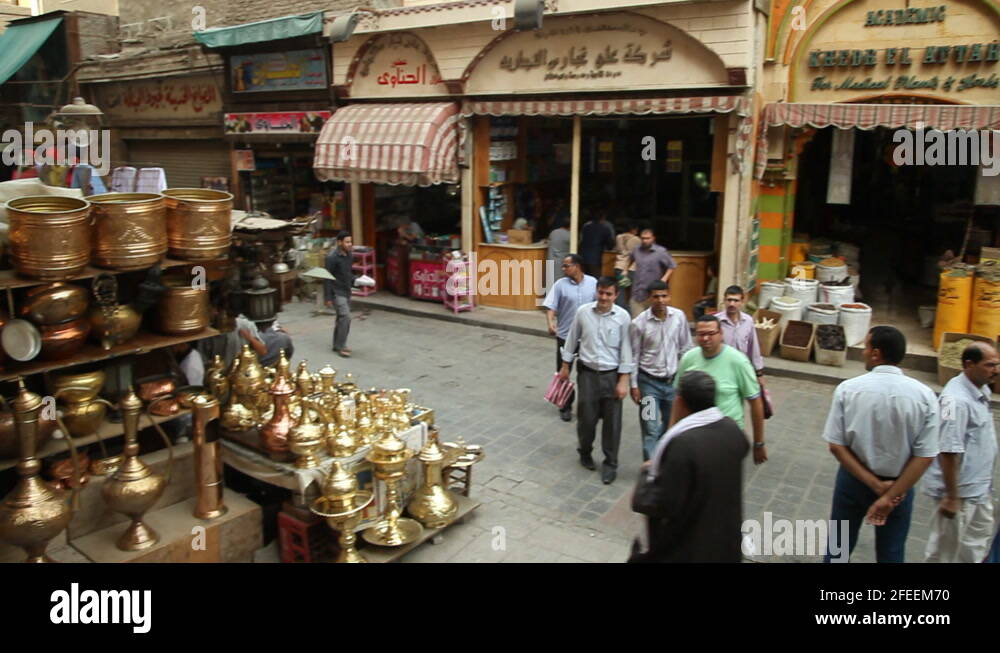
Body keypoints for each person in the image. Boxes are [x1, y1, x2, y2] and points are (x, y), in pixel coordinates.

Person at [822, 325, 940, 563]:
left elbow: (836, 445)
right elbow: (925, 456)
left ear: (876, 353)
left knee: (838, 549)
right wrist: (890, 496)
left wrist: (876, 486)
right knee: (892, 552)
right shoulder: (925, 396)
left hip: (853, 480)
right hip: (899, 487)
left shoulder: (849, 389)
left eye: (865, 347)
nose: (863, 353)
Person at [628, 371, 749, 563]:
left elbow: (660, 503)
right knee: (650, 429)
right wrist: (634, 384)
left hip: (690, 550)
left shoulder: (682, 447)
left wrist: (646, 473)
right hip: (648, 388)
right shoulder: (733, 430)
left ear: (681, 401)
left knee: (655, 433)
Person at [923, 342, 998, 563]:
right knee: (944, 553)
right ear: (968, 365)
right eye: (990, 365)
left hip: (979, 489)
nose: (996, 370)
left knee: (974, 546)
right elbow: (947, 451)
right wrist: (952, 496)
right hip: (959, 493)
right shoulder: (953, 401)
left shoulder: (980, 388)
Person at [558, 276, 633, 484]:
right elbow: (572, 339)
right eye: (601, 292)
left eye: (609, 294)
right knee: (586, 419)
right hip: (588, 375)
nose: (604, 297)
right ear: (596, 292)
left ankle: (610, 463)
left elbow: (627, 349)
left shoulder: (623, 317)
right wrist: (565, 366)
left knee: (612, 423)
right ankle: (584, 451)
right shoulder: (583, 312)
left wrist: (624, 380)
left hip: (612, 376)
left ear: (616, 295)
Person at [674, 315, 767, 465]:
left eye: (710, 334)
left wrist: (759, 443)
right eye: (701, 334)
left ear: (721, 334)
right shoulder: (688, 358)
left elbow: (755, 403)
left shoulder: (738, 361)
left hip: (726, 439)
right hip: (649, 389)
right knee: (650, 423)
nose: (705, 338)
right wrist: (672, 434)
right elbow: (679, 399)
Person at [629, 281, 692, 461]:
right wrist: (634, 385)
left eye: (664, 296)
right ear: (649, 298)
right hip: (648, 384)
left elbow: (686, 348)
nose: (660, 300)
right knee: (650, 427)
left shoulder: (679, 317)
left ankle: (664, 461)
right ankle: (650, 467)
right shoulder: (639, 324)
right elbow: (634, 356)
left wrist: (685, 379)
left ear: (669, 296)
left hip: (672, 384)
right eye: (656, 296)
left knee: (671, 425)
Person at [543, 254, 597, 421]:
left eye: (567, 266)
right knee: (563, 372)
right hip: (565, 336)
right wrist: (551, 322)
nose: (563, 269)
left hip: (587, 337)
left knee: (588, 373)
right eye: (563, 266)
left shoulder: (593, 283)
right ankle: (565, 405)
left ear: (577, 266)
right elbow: (551, 306)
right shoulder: (560, 285)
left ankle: (588, 406)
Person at [714, 285, 764, 376]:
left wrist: (758, 372)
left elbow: (753, 347)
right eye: (729, 300)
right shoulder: (715, 321)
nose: (732, 304)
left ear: (742, 302)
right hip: (720, 369)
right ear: (724, 300)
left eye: (736, 300)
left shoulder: (748, 321)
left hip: (741, 370)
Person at [627, 227, 676, 317]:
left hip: (654, 295)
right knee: (637, 323)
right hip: (637, 293)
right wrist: (625, 271)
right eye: (643, 238)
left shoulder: (661, 251)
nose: (645, 241)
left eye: (647, 238)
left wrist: (664, 279)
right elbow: (630, 260)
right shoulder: (636, 250)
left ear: (653, 238)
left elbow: (672, 266)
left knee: (655, 322)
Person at [325, 231, 357, 358]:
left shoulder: (349, 255)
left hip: (346, 290)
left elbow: (348, 273)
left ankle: (336, 344)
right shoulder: (331, 257)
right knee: (345, 317)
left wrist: (357, 280)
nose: (350, 244)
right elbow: (326, 277)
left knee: (341, 318)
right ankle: (342, 346)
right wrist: (327, 297)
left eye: (350, 241)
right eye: (347, 242)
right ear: (339, 242)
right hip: (336, 291)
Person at [579, 209, 614, 278]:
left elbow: (581, 240)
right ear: (603, 218)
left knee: (584, 279)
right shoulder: (605, 229)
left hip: (582, 257)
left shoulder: (586, 227)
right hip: (595, 259)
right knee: (595, 280)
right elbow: (610, 245)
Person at [613, 221, 641, 310]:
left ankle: (620, 311)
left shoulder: (618, 237)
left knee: (621, 292)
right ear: (633, 230)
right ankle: (630, 313)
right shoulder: (637, 239)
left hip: (619, 267)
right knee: (632, 293)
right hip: (631, 269)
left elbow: (617, 249)